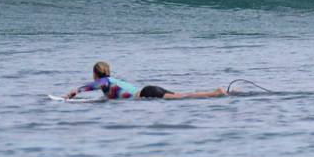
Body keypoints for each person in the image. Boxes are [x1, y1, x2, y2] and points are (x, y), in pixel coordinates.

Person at [64, 61, 227, 100]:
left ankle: (215, 93)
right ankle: (220, 92)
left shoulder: (104, 81)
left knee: (185, 97)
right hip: (149, 90)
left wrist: (74, 92)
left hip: (148, 93)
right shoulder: (112, 80)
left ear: (95, 73)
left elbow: (93, 86)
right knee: (183, 95)